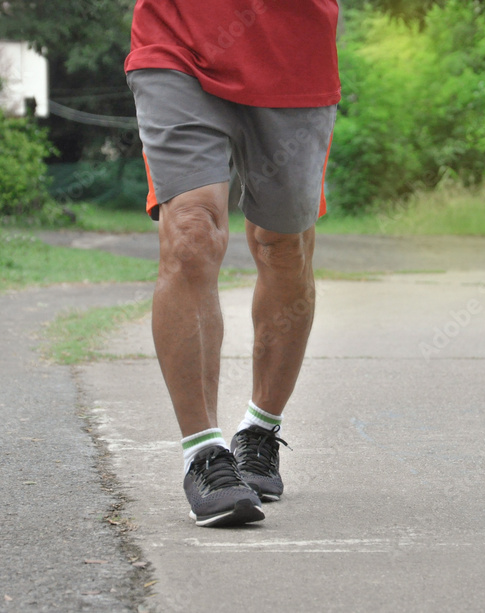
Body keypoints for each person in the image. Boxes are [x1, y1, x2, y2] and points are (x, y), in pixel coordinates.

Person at [125, 0, 341, 527]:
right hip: (176, 42)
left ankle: (260, 430)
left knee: (282, 247)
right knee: (191, 235)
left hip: (295, 55)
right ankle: (204, 455)